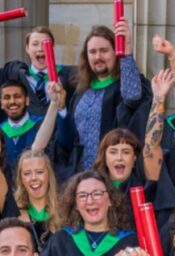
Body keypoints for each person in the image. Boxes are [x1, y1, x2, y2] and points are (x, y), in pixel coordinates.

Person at [58, 22, 145, 178]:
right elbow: (68, 139)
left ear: (115, 52)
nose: (98, 57)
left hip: (113, 176)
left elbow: (132, 98)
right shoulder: (80, 90)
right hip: (81, 175)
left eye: (104, 51)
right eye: (92, 52)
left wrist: (127, 51)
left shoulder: (124, 86)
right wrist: (61, 108)